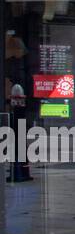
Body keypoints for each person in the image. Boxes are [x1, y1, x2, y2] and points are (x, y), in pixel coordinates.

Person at [3, 33, 32, 183]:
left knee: (18, 139)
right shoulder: (23, 65)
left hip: (17, 108)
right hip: (20, 108)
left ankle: (19, 171)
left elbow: (14, 86)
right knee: (19, 139)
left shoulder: (14, 65)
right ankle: (21, 170)